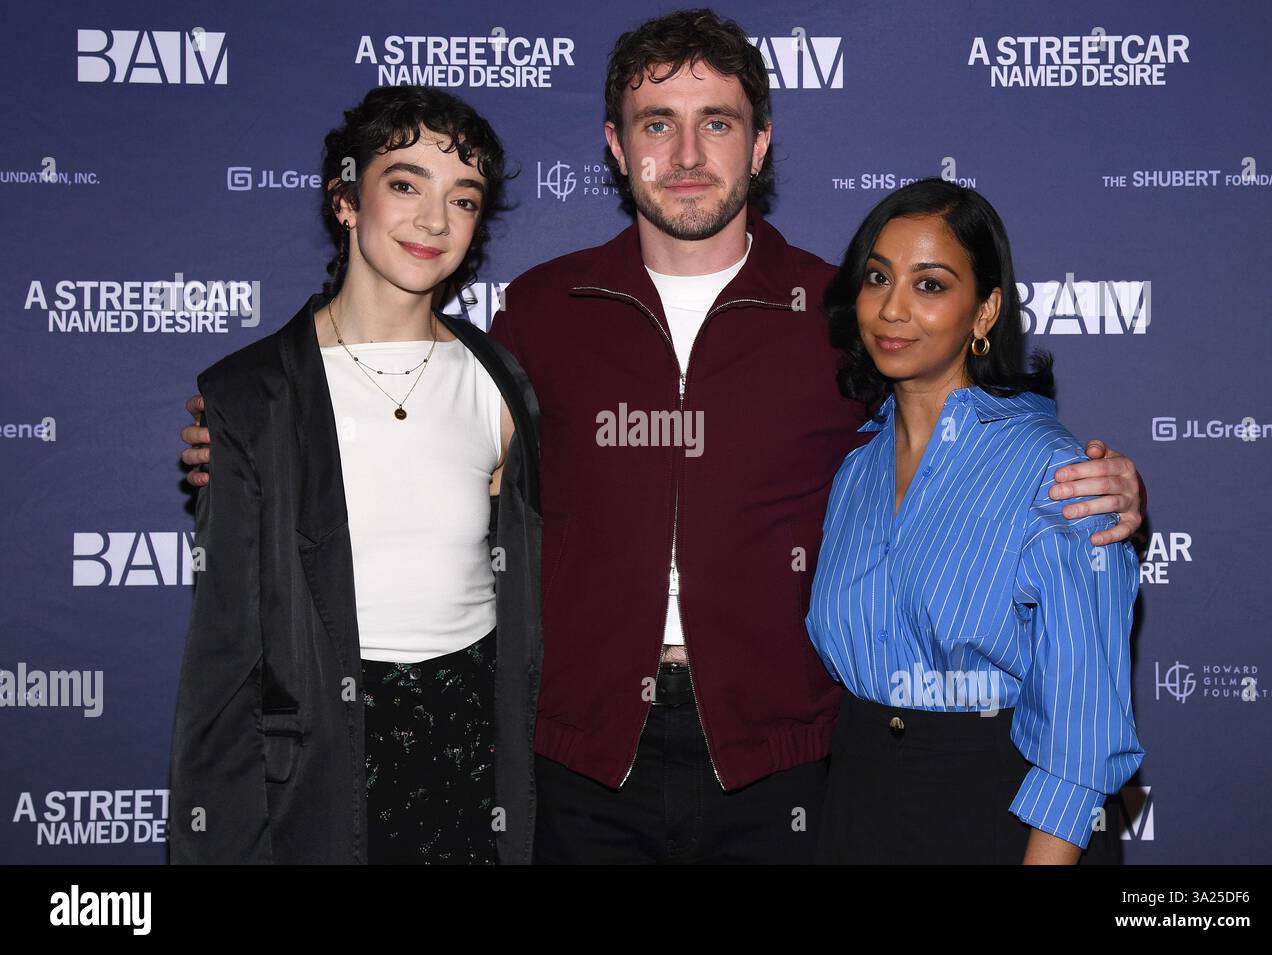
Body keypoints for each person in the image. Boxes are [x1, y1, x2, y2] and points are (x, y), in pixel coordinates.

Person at [181, 10, 1146, 865]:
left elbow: (948, 434)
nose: (687, 153)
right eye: (658, 124)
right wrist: (260, 437)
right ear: (614, 144)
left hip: (788, 765)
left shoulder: (840, 310)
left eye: (716, 123)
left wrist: (1101, 484)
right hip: (580, 758)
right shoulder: (541, 311)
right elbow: (426, 433)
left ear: (760, 143)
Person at [168, 85, 542, 865]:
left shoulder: (501, 382)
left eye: (462, 198)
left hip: (478, 753)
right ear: (346, 198)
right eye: (405, 184)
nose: (435, 220)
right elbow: (224, 663)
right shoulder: (251, 398)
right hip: (319, 761)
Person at [807, 178, 1144, 864]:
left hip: (1001, 816)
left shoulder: (1057, 473)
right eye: (878, 277)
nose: (893, 308)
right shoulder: (855, 473)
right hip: (858, 808)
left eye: (930, 285)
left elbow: (1081, 734)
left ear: (985, 310)